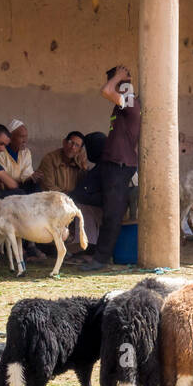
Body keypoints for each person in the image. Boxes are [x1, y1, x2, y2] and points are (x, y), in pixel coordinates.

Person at [75, 65, 140, 272]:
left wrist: (119, 77)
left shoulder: (129, 101)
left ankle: (101, 259)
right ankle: (96, 252)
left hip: (120, 166)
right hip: (109, 165)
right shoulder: (121, 106)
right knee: (84, 197)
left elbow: (106, 91)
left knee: (113, 214)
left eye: (113, 80)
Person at [0, 119, 35, 187]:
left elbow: (27, 175)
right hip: (6, 189)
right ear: (10, 138)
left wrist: (32, 177)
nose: (25, 140)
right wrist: (24, 179)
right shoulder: (0, 153)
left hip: (22, 186)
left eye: (26, 136)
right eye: (21, 137)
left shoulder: (26, 152)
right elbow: (4, 180)